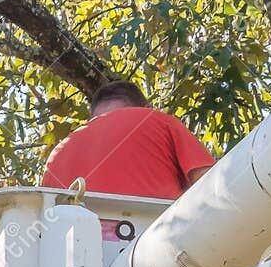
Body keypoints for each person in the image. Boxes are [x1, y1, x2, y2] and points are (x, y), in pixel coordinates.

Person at [41, 79, 214, 199]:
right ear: (147, 108)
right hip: (158, 240)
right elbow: (213, 185)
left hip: (77, 246)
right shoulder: (156, 120)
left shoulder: (57, 155)